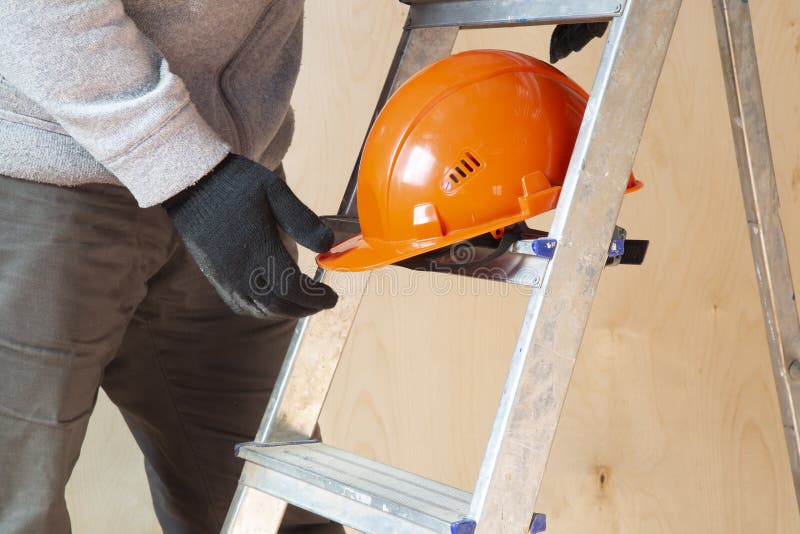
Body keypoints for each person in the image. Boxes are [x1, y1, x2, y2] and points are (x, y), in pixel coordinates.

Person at [0, 0, 603, 530]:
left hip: (226, 180)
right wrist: (185, 166)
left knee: (269, 507)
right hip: (44, 173)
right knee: (14, 505)